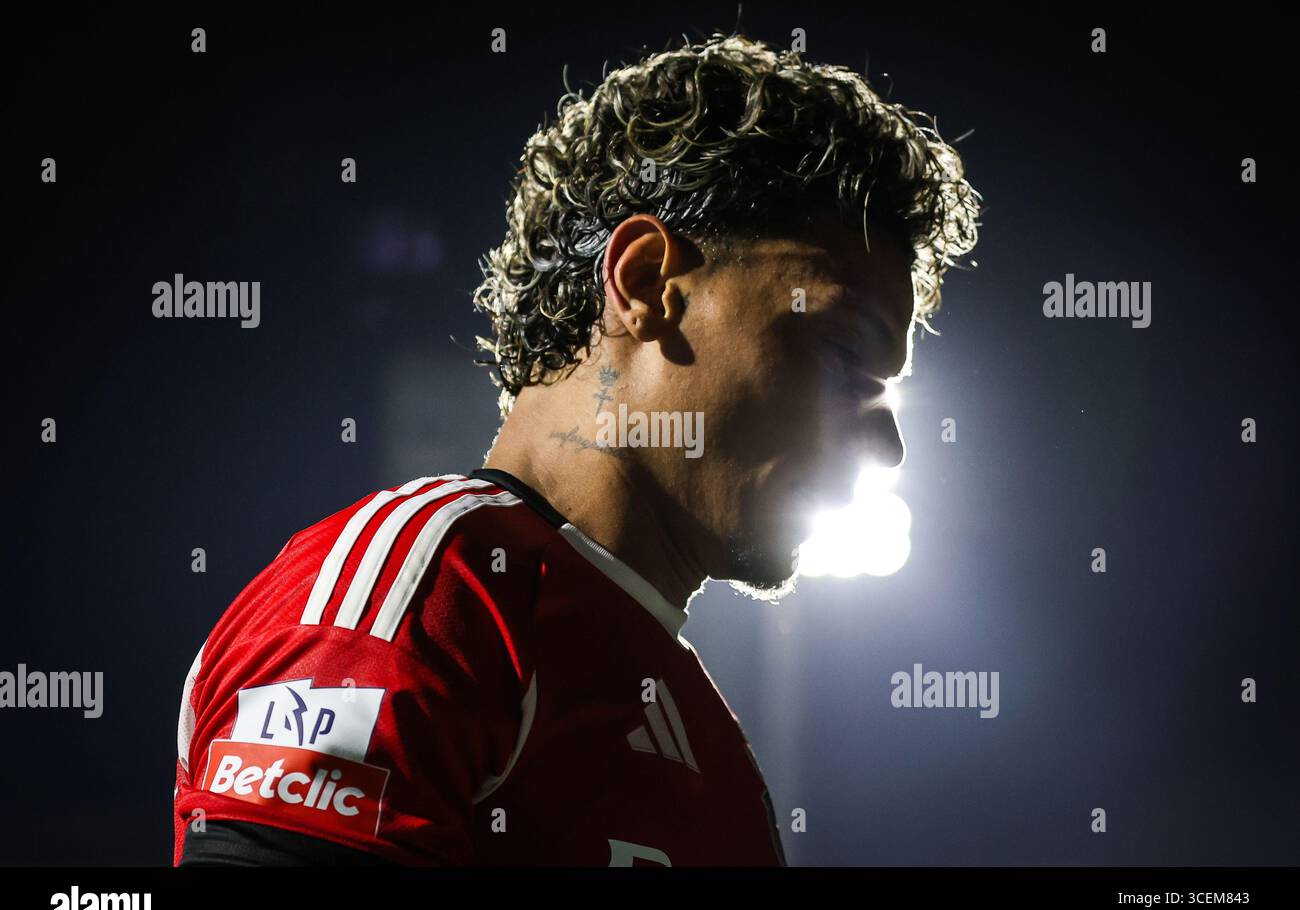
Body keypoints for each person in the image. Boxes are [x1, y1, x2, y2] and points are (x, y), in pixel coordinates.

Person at [173, 32, 980, 866]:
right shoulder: (429, 592)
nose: (886, 444)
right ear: (644, 285)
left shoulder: (704, 731)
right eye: (844, 353)